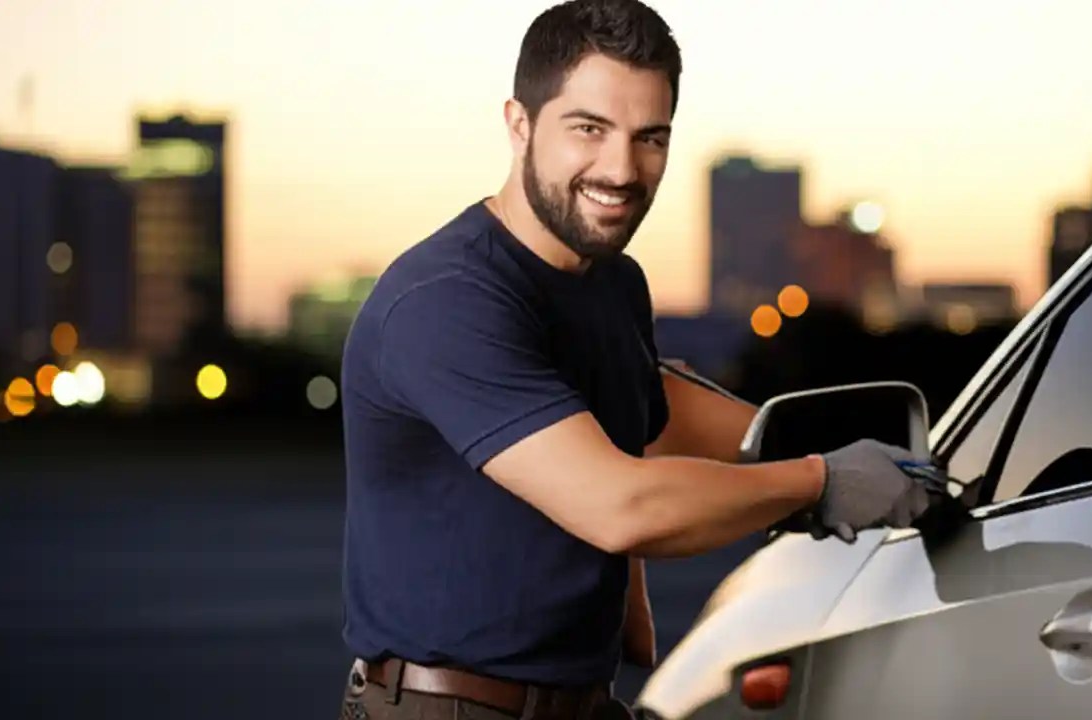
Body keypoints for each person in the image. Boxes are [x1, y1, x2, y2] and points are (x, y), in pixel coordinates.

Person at [335, 1, 942, 719]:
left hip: (583, 703)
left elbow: (650, 405)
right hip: (445, 709)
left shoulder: (614, 282)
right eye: (588, 129)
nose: (622, 169)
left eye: (650, 137)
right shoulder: (447, 299)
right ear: (519, 124)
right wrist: (820, 481)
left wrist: (866, 446)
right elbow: (620, 505)